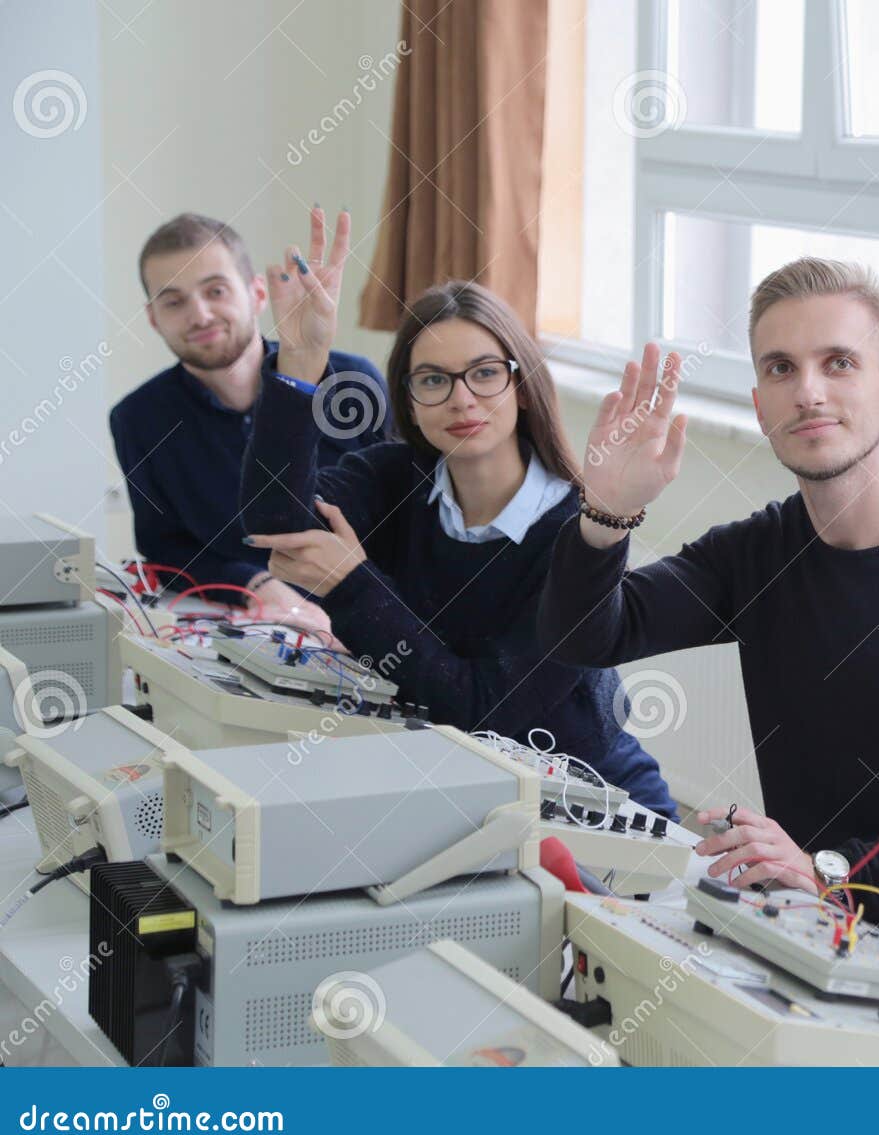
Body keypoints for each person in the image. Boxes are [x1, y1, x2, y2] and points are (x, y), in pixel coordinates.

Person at [536, 258, 879, 935]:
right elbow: (589, 636)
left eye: (838, 363)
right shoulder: (758, 552)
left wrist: (830, 869)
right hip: (801, 918)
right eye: (781, 368)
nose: (808, 392)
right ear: (759, 406)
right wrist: (606, 516)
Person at [236, 208, 675, 817]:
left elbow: (482, 708)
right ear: (410, 404)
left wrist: (351, 585)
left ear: (521, 387)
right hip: (448, 789)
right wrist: (302, 364)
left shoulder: (580, 539)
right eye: (433, 380)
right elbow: (274, 523)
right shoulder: (395, 478)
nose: (462, 398)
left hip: (586, 807)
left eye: (485, 374)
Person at [110, 212, 385, 636]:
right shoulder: (137, 418)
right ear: (152, 318)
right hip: (238, 623)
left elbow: (411, 514)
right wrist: (254, 584)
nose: (199, 315)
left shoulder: (353, 384)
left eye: (215, 291)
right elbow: (164, 546)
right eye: (174, 301)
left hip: (374, 616)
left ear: (257, 293)